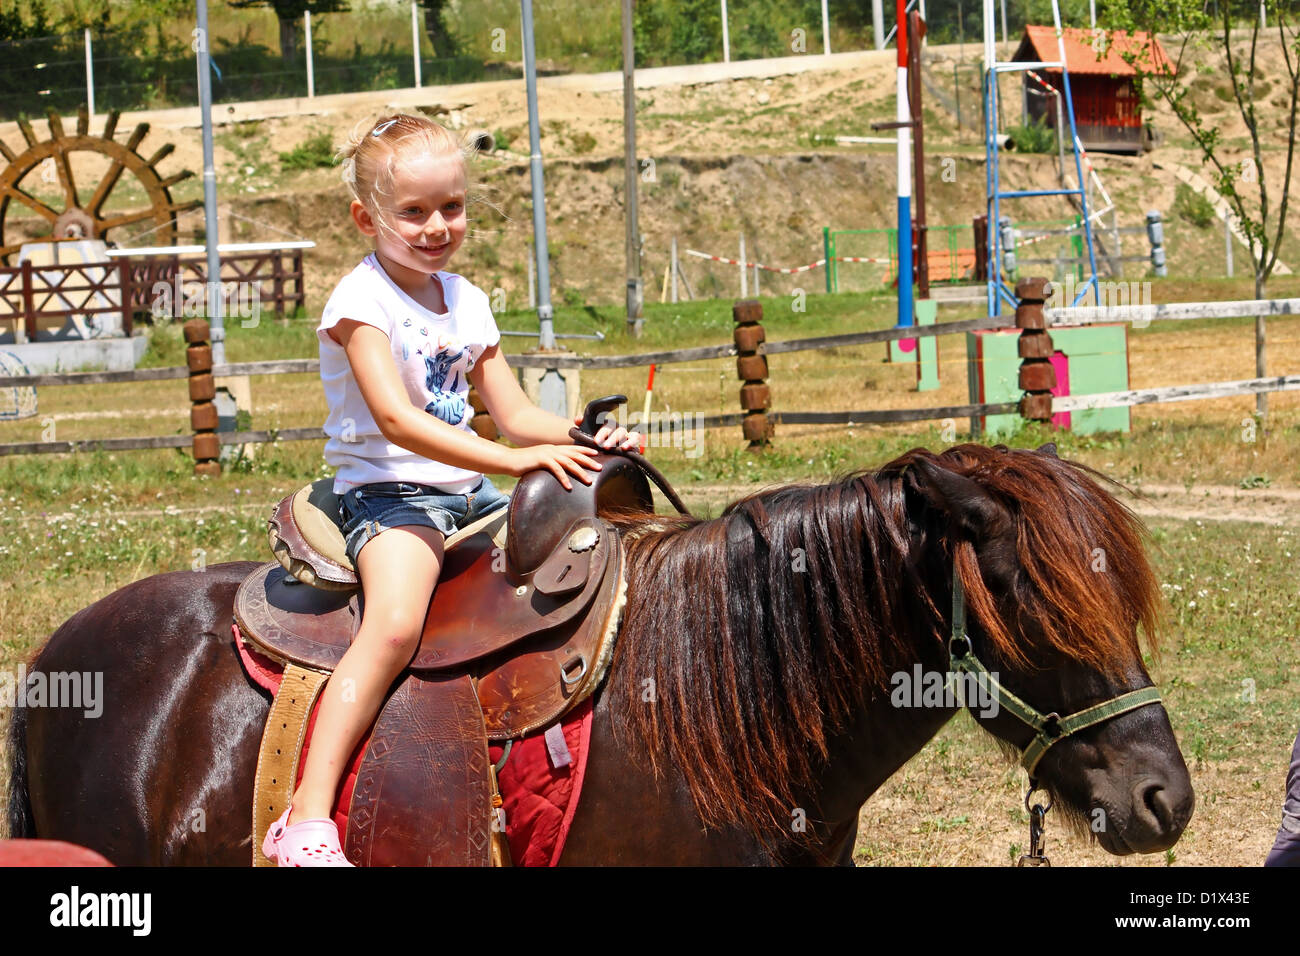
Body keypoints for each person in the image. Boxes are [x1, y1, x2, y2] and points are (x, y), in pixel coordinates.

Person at [261, 113, 639, 866]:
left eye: (452, 207)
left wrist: (583, 440)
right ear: (366, 218)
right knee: (395, 626)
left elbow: (518, 414)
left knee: (593, 567)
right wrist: (509, 462)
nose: (436, 227)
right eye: (413, 212)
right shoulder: (361, 303)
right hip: (390, 496)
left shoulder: (465, 300)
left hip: (471, 493)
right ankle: (305, 816)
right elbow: (397, 421)